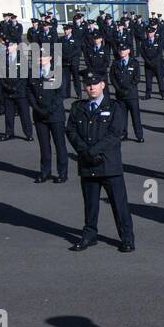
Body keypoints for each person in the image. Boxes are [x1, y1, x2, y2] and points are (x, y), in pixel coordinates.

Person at [65, 72, 134, 252]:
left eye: (95, 83)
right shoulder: (77, 107)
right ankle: (89, 235)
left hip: (109, 164)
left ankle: (127, 238)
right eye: (88, 84)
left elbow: (114, 133)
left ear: (103, 85)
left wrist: (92, 151)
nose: (92, 87)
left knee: (119, 205)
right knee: (90, 204)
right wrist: (85, 152)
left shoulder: (115, 107)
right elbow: (71, 131)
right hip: (88, 164)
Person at [27, 52, 69, 183]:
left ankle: (62, 173)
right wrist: (37, 109)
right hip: (39, 115)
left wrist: (48, 110)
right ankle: (45, 172)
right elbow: (29, 92)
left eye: (43, 57)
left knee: (59, 145)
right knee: (44, 146)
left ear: (50, 58)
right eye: (38, 57)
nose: (40, 59)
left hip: (55, 115)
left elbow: (61, 94)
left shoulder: (57, 71)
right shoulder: (33, 71)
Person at [109, 44, 145, 142]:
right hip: (120, 94)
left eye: (124, 49)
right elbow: (112, 78)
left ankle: (139, 135)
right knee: (122, 116)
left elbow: (137, 78)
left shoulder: (134, 63)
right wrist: (119, 89)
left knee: (136, 116)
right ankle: (123, 134)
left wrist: (128, 89)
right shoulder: (115, 63)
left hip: (131, 95)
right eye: (120, 50)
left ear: (129, 51)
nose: (122, 51)